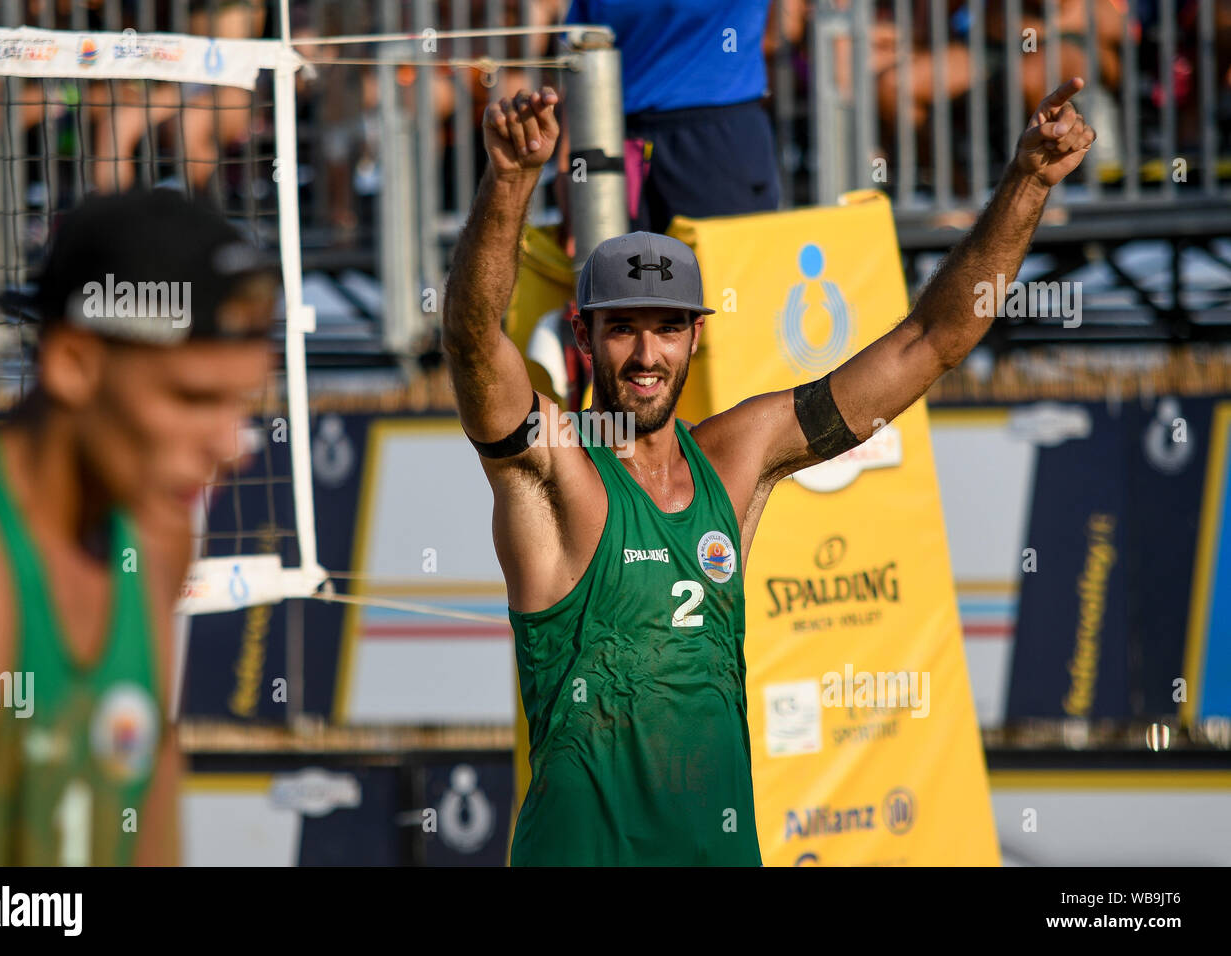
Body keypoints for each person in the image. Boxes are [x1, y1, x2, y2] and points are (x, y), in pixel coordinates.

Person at [443, 80, 1095, 865]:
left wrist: (1026, 184)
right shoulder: (554, 466)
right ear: (584, 337)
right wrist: (510, 178)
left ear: (694, 339)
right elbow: (474, 342)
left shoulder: (736, 456)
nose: (646, 356)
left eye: (668, 330)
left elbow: (930, 342)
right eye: (623, 331)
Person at [0, 189, 278, 865]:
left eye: (239, 401)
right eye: (193, 398)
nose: (232, 444)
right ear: (73, 365)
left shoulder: (155, 543)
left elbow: (146, 801)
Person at [558, 0, 780, 238]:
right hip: (620, 140)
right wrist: (569, 163)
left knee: (725, 268)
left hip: (719, 137)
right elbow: (582, 55)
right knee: (623, 272)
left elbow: (778, 36)